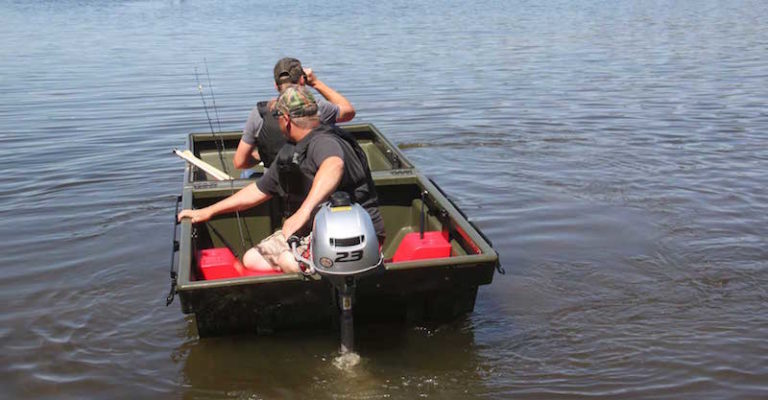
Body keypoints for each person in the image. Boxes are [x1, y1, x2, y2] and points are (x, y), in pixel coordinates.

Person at [179, 86, 384, 273]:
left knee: (287, 259)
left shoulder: (324, 141)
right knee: (253, 258)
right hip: (312, 231)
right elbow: (259, 190)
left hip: (356, 234)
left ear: (285, 119)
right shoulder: (291, 150)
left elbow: (333, 165)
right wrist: (208, 211)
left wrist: (302, 213)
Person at [234, 57, 356, 174]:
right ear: (303, 81)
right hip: (311, 181)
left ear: (276, 85)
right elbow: (349, 111)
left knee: (247, 174)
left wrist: (260, 155)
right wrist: (315, 82)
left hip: (275, 186)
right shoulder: (316, 108)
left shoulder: (259, 113)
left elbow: (240, 162)